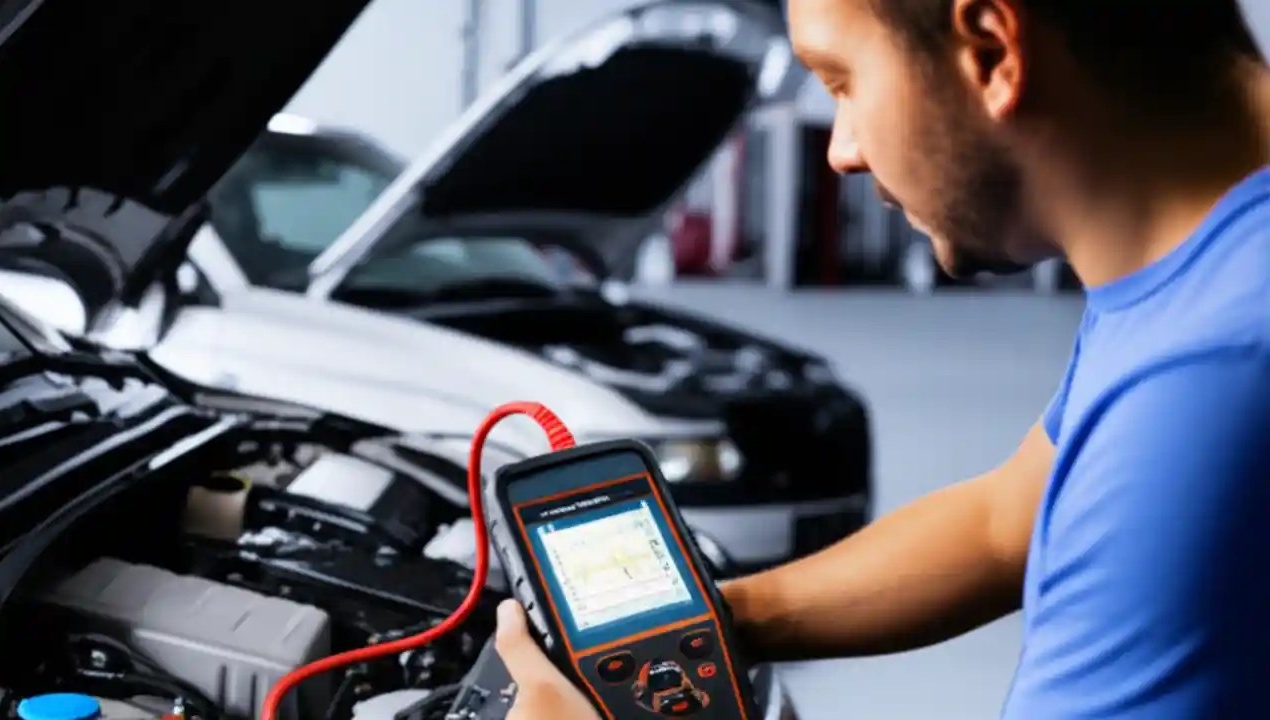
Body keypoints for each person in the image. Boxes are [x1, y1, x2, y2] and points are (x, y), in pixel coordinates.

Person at [493, 0, 1270, 716]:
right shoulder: (1204, 263)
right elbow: (1006, 522)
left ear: (993, 52)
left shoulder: (1208, 383)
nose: (842, 151)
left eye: (842, 81)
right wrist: (710, 620)